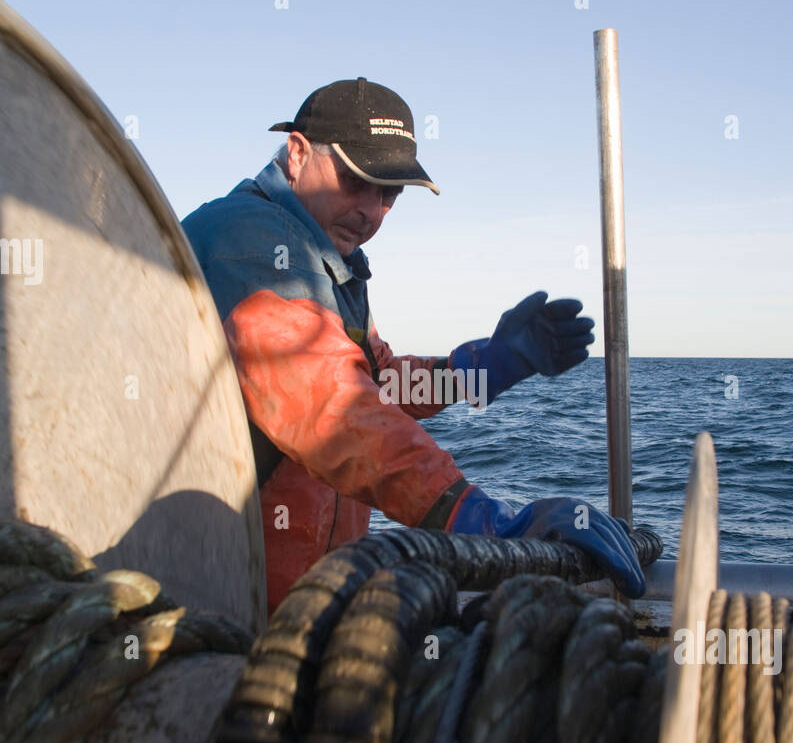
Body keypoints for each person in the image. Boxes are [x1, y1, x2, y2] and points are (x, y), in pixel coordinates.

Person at [182, 77, 645, 613]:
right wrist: (478, 519)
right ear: (298, 151)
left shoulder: (325, 261)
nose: (372, 211)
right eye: (357, 181)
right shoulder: (252, 245)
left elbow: (375, 386)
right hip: (220, 604)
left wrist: (488, 367)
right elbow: (330, 409)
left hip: (291, 603)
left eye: (390, 193)